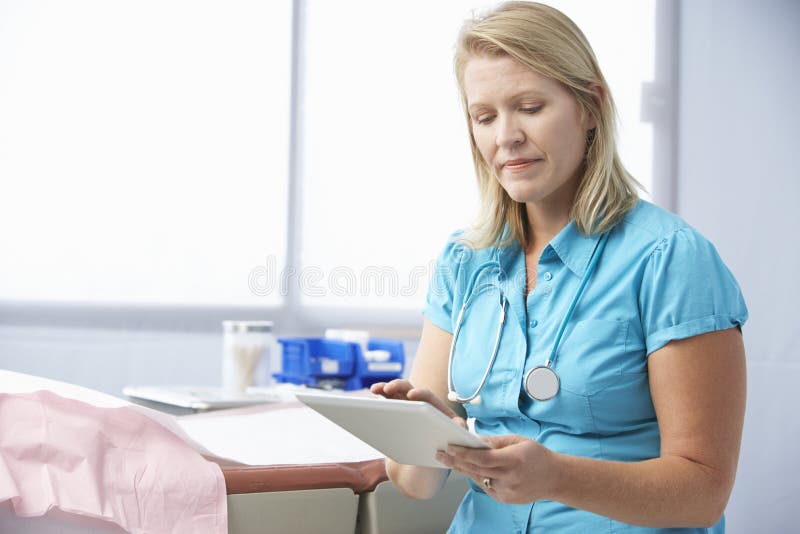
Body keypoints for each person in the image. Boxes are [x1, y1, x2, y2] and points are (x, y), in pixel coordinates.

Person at [370, 2, 748, 532]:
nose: (506, 136)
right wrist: (428, 428)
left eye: (529, 106)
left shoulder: (670, 259)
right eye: (485, 116)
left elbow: (703, 491)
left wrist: (557, 477)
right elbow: (414, 483)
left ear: (589, 106)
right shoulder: (464, 260)